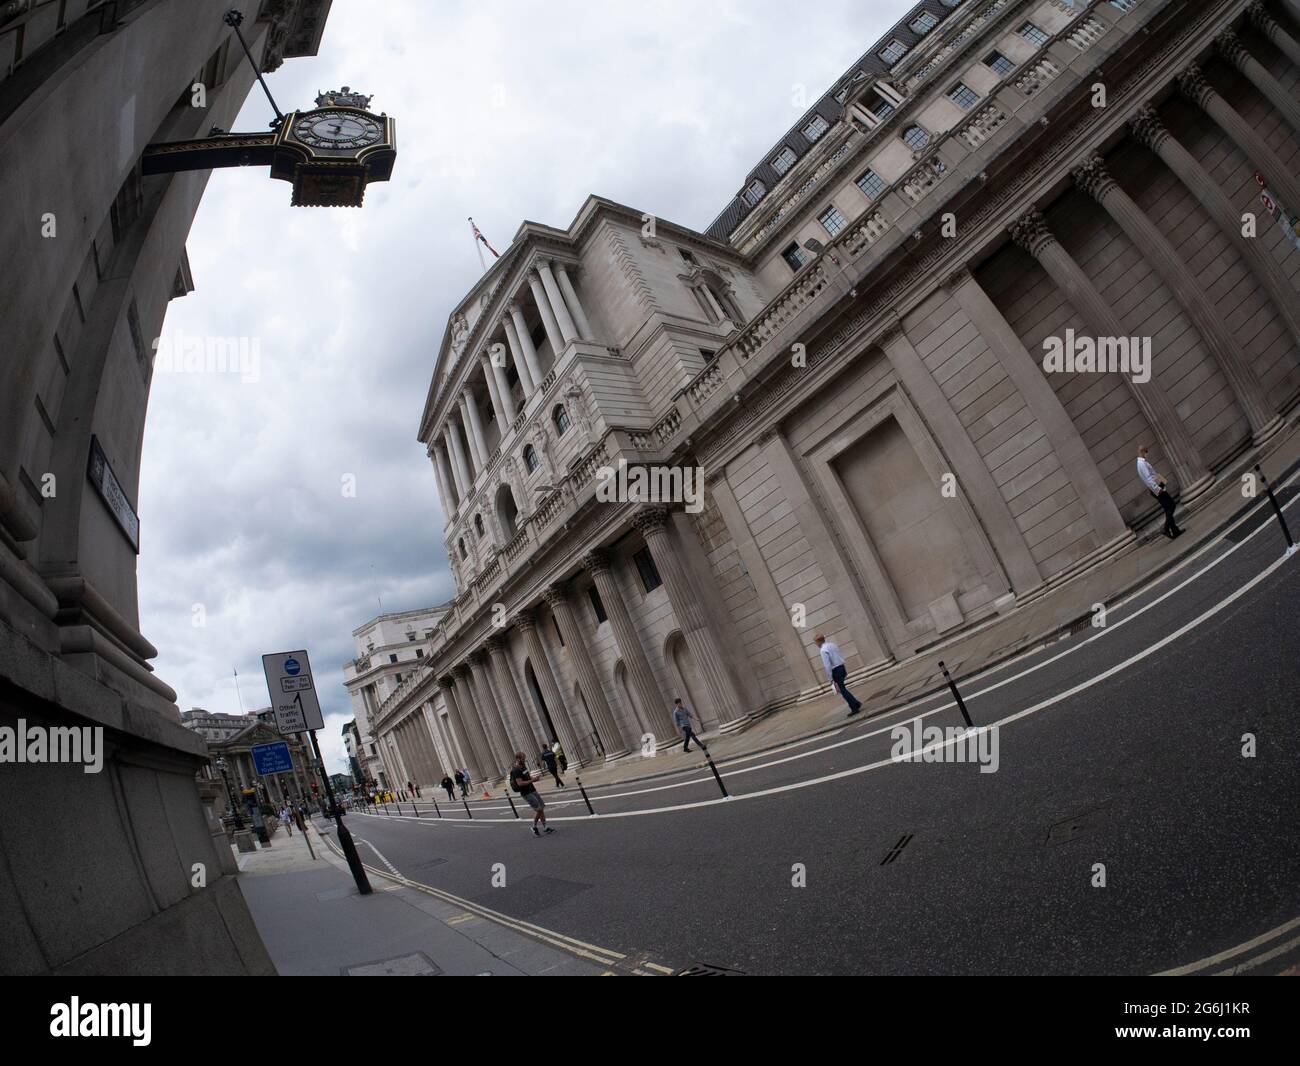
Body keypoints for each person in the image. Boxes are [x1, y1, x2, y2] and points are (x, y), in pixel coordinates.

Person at [1137, 446, 1182, 539]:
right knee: (1172, 505)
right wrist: (1157, 488)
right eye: (1146, 451)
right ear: (1142, 451)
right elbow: (1148, 478)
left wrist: (1161, 482)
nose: (1147, 454)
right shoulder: (1141, 463)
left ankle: (1174, 530)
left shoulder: (1142, 463)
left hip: (1157, 486)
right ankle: (1166, 528)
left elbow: (1152, 475)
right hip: (1156, 488)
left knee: (1167, 508)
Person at [815, 633, 862, 716]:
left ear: (818, 642)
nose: (816, 644)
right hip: (842, 667)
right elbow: (839, 655)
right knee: (843, 689)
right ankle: (855, 703)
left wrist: (830, 678)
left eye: (816, 643)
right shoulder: (832, 645)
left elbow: (827, 665)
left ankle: (854, 707)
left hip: (835, 670)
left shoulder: (823, 650)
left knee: (842, 690)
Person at [510, 752, 554, 835]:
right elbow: (520, 783)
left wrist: (535, 778)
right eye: (523, 758)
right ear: (518, 759)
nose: (525, 760)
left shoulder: (523, 766)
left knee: (541, 807)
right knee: (539, 809)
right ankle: (534, 827)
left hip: (532, 790)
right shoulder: (516, 770)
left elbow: (528, 777)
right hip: (526, 793)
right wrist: (532, 780)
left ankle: (545, 827)